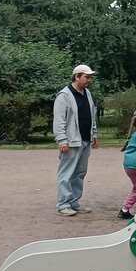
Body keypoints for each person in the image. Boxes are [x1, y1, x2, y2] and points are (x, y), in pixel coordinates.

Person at [53, 64, 98, 216]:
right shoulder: (64, 96)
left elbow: (92, 114)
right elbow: (59, 120)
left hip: (85, 140)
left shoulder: (87, 93)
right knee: (66, 173)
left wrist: (94, 134)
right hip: (71, 141)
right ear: (77, 76)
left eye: (90, 77)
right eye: (86, 77)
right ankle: (63, 204)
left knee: (80, 173)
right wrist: (62, 140)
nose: (89, 80)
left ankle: (74, 201)